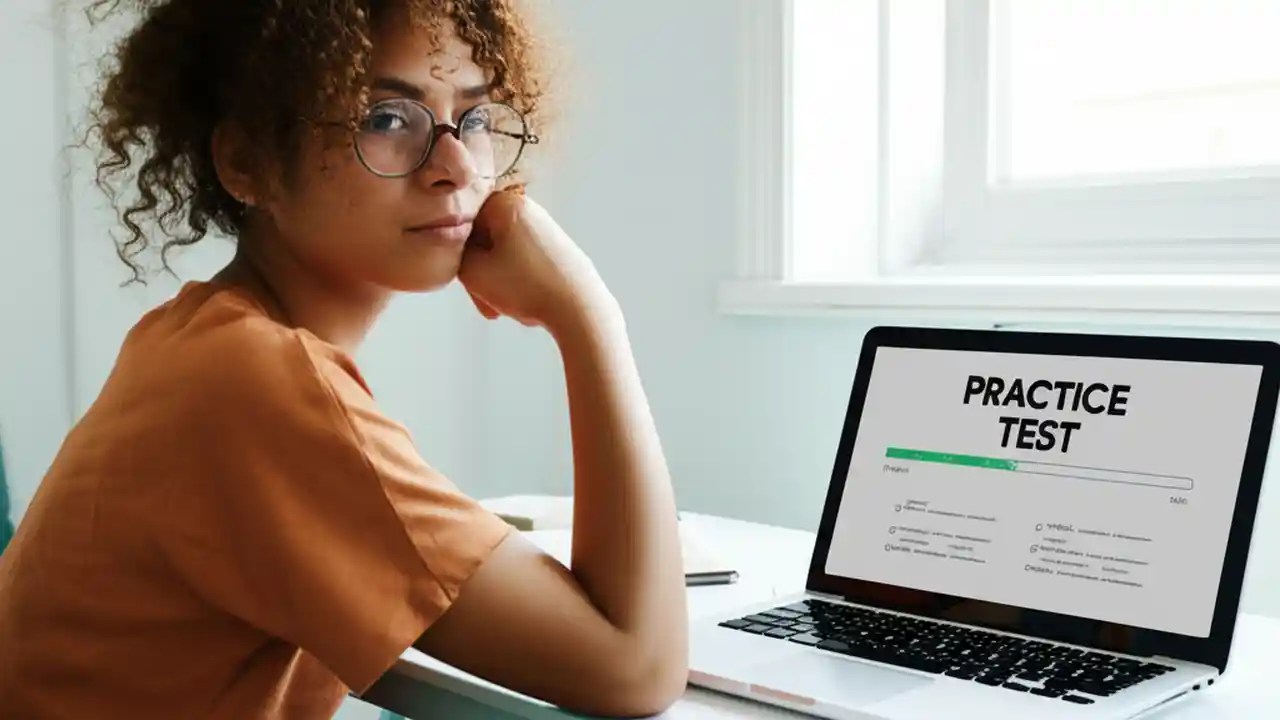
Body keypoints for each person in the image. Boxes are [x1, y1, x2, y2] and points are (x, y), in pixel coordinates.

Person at [0, 1, 688, 717]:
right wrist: (588, 317)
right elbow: (634, 669)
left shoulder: (193, 337)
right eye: (387, 119)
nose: (455, 167)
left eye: (476, 120)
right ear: (247, 162)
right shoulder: (252, 382)